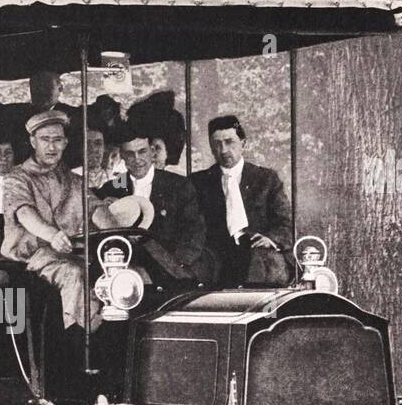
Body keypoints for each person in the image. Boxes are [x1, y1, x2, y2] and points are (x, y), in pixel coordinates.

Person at [1, 110, 102, 335]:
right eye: (45, 140)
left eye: (57, 140)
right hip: (33, 258)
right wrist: (52, 235)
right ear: (32, 141)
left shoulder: (75, 180)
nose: (51, 147)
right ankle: (78, 344)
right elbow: (24, 212)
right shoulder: (17, 178)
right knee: (74, 273)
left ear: (65, 143)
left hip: (72, 253)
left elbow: (96, 209)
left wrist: (122, 234)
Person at [97, 126, 216, 285]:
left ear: (152, 151)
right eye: (130, 154)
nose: (137, 159)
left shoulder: (178, 185)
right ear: (122, 156)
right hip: (127, 267)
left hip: (172, 268)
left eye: (142, 151)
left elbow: (194, 231)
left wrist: (178, 265)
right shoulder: (111, 189)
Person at [191, 114, 293, 285]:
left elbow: (285, 223)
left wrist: (271, 239)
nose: (223, 150)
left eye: (229, 142)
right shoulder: (198, 182)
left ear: (243, 144)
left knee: (265, 266)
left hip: (259, 253)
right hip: (218, 255)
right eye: (217, 144)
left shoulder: (266, 179)